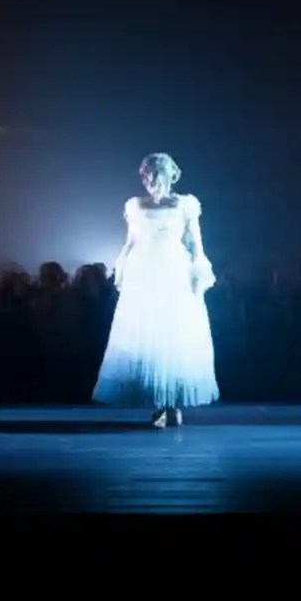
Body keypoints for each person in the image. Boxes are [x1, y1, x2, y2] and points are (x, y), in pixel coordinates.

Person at [93, 153, 218, 427]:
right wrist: (122, 266)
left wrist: (199, 269)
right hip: (144, 272)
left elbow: (196, 243)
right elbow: (131, 241)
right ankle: (161, 404)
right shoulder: (135, 206)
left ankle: (170, 404)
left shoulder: (185, 205)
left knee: (172, 334)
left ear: (167, 175)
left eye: (154, 174)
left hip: (174, 272)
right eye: (146, 175)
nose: (150, 180)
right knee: (147, 335)